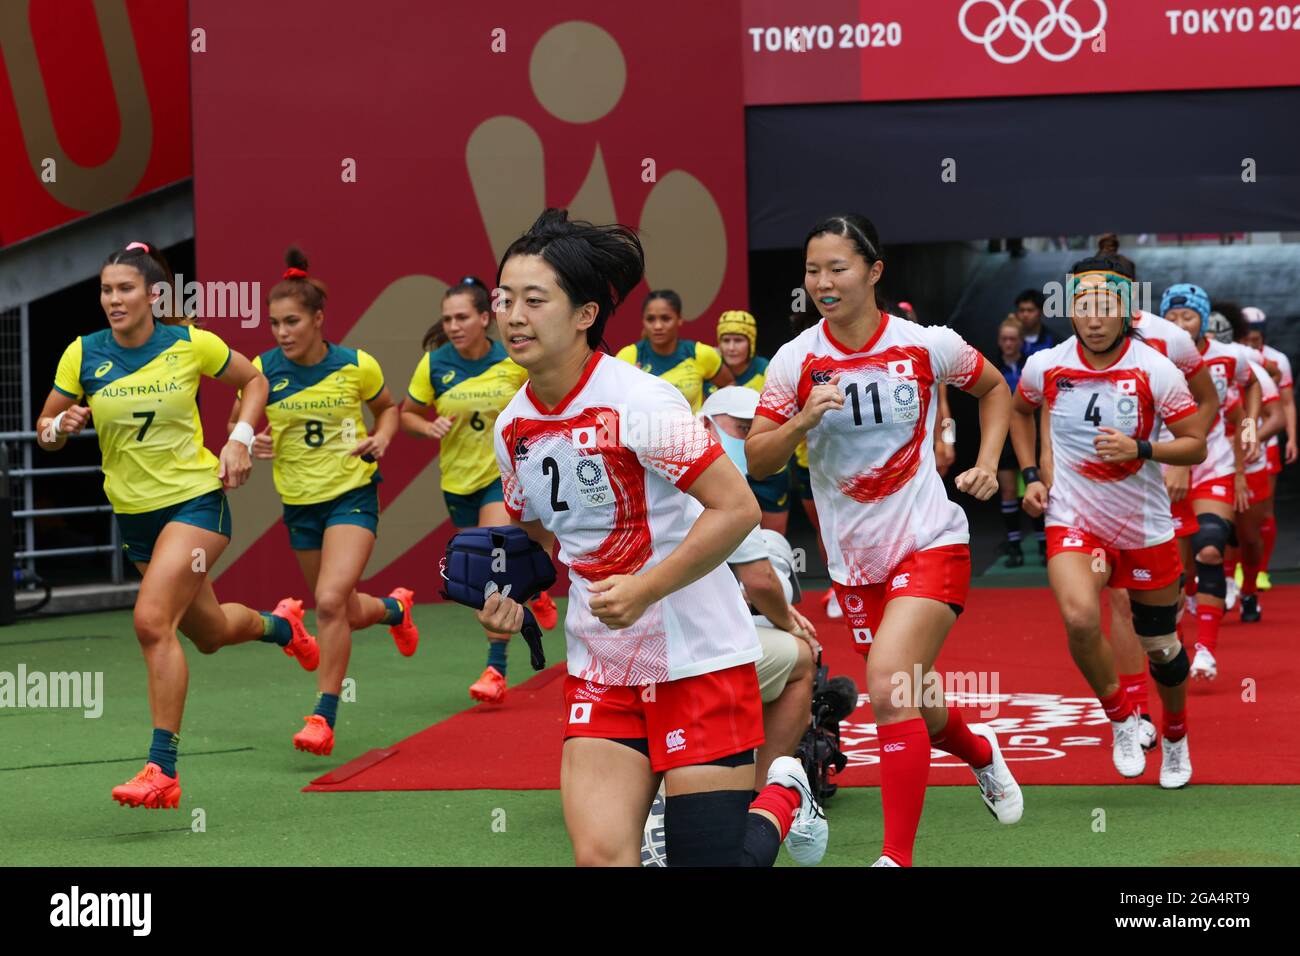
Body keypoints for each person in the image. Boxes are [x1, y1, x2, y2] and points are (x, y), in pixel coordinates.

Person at [480, 208, 825, 867]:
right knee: (601, 859)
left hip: (699, 661)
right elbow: (540, 544)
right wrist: (512, 598)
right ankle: (778, 789)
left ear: (584, 314)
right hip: (603, 666)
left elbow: (736, 509)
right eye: (506, 300)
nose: (514, 316)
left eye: (534, 300)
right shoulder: (512, 428)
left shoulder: (643, 402)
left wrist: (644, 589)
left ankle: (782, 793)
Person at [747, 213, 1024, 867]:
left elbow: (993, 389)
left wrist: (987, 461)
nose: (822, 282)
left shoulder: (926, 345)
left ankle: (895, 857)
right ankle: (979, 749)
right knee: (913, 698)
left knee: (890, 686)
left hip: (929, 539)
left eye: (837, 267)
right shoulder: (796, 360)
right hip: (853, 559)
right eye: (813, 270)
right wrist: (802, 421)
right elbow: (758, 458)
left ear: (874, 271)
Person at [36, 241, 319, 808]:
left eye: (124, 289)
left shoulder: (192, 344)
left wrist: (238, 441)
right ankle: (282, 627)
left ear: (153, 295)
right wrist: (58, 426)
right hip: (135, 516)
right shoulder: (82, 354)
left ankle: (162, 768)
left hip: (195, 504)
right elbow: (46, 425)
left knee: (149, 620)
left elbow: (255, 381)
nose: (113, 300)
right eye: (105, 290)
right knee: (209, 634)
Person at [1012, 263, 1206, 789]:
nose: (1093, 321)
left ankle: (1176, 735)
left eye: (1104, 309)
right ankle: (1121, 718)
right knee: (1079, 618)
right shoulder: (1046, 365)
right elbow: (1018, 409)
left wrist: (1143, 448)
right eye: (1083, 308)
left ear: (1125, 312)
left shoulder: (1155, 369)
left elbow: (1195, 441)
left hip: (1143, 525)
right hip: (1074, 517)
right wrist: (1031, 473)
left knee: (1162, 647)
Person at [229, 248, 417, 756]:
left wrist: (381, 437)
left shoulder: (356, 365)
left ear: (318, 319)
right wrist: (251, 440)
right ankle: (395, 611)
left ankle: (322, 716)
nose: (282, 332)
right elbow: (235, 423)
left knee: (330, 602)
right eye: (274, 323)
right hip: (299, 505)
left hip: (352, 495)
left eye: (292, 321)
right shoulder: (262, 372)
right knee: (344, 608)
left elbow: (389, 410)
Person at [400, 276, 557, 704]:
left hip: (502, 477)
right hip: (457, 483)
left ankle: (495, 669)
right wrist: (425, 424)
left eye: (462, 317)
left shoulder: (512, 358)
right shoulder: (434, 365)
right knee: (476, 573)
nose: (453, 325)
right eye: (447, 318)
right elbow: (407, 415)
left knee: (489, 568)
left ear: (485, 318)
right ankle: (537, 591)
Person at [700, 386, 821, 785]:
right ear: (705, 425)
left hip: (619, 650)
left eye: (757, 430)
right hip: (689, 653)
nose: (750, 440)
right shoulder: (725, 486)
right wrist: (789, 621)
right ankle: (763, 787)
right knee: (803, 657)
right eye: (742, 428)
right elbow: (760, 581)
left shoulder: (656, 469)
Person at [1158, 284, 1260, 681]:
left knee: (1211, 548)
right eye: (1171, 317)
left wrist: (1248, 426)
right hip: (1165, 470)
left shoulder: (1226, 356)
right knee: (1174, 573)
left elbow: (1251, 382)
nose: (1180, 325)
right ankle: (1174, 649)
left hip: (1211, 464)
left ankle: (1207, 651)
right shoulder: (1153, 356)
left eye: (1188, 317)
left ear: (1204, 319)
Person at [715, 310, 791, 533]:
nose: (731, 347)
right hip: (723, 468)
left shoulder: (768, 370)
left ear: (751, 341)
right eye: (725, 340)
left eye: (738, 340)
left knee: (773, 541)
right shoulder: (709, 371)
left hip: (767, 466)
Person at [1239, 306, 1295, 594]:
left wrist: (1289, 439)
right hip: (1220, 452)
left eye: (1255, 340)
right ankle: (1225, 576)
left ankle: (1256, 571)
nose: (1249, 345)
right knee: (1221, 518)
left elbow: (1281, 409)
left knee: (1257, 516)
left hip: (1258, 446)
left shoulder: (1264, 362)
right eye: (1244, 339)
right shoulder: (1223, 356)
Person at [616, 289, 733, 412]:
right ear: (643, 321)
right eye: (650, 319)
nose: (658, 326)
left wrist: (715, 419)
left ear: (679, 319)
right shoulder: (628, 357)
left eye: (665, 318)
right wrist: (631, 387)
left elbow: (730, 385)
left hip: (692, 431)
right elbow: (610, 402)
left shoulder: (699, 353)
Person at [993, 316, 1028, 565]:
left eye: (1013, 339)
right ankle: (1015, 546)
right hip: (1004, 437)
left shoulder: (1031, 366)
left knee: (1035, 487)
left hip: (1028, 435)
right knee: (1008, 491)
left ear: (1021, 342)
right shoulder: (993, 369)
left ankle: (1043, 542)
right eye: (1004, 339)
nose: (1008, 343)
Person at [1015, 289, 1056, 359]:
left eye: (1030, 310)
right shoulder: (1009, 339)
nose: (1025, 315)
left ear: (1041, 312)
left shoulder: (1053, 340)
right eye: (1021, 310)